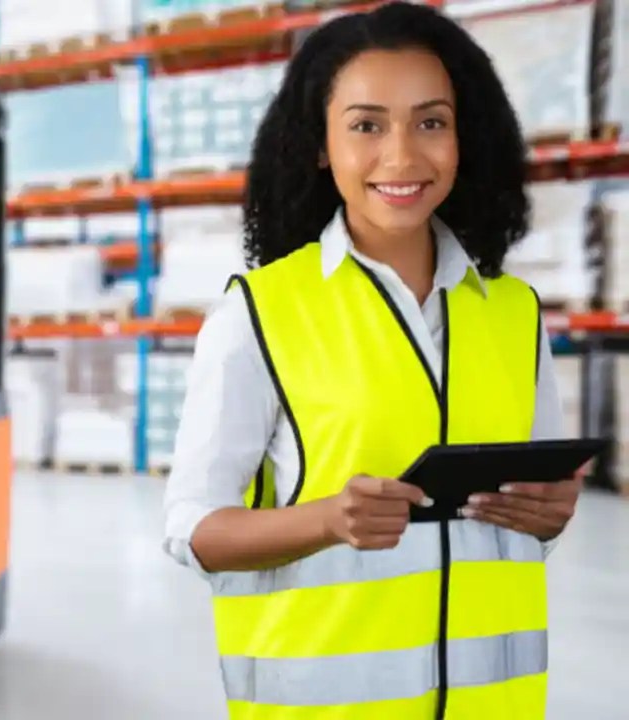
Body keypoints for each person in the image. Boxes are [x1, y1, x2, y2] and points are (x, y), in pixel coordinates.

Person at [161, 3, 584, 718]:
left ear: (465, 136)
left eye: (431, 122)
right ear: (319, 145)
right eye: (367, 126)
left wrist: (549, 514)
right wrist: (326, 520)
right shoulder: (259, 314)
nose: (403, 156)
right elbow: (192, 529)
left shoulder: (514, 313)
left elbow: (530, 519)